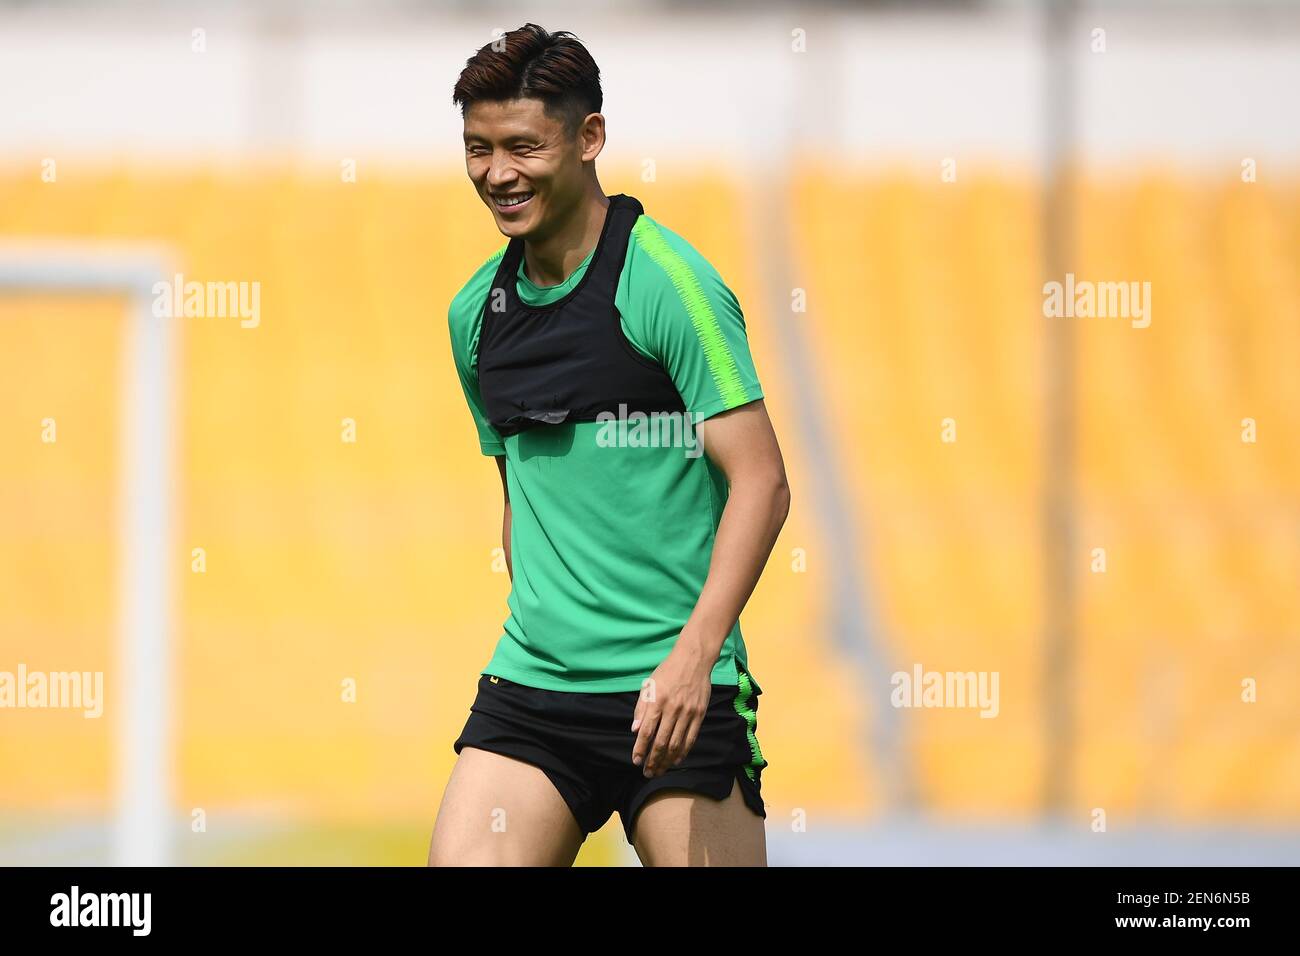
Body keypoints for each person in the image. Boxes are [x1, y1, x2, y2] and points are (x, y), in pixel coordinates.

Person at [428, 23, 790, 867]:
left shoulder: (667, 281)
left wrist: (696, 656)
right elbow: (519, 503)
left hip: (677, 690)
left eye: (523, 144)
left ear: (589, 138)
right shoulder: (472, 316)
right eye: (478, 148)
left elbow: (763, 483)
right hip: (535, 690)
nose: (497, 172)